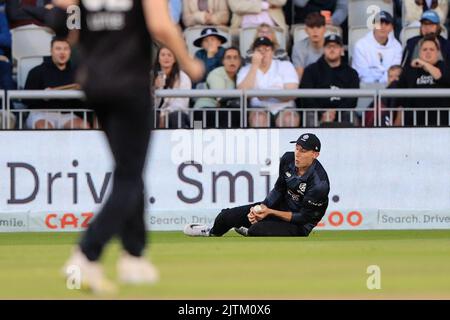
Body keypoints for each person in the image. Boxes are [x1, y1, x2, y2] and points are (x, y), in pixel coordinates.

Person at [51, 0, 204, 294]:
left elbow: (59, 19)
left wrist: (90, 42)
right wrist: (188, 63)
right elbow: (160, 25)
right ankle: (86, 254)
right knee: (129, 175)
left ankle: (134, 257)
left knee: (128, 169)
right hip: (129, 84)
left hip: (95, 83)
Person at [184, 133, 330, 237]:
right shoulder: (288, 159)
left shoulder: (320, 184)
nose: (297, 154)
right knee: (225, 216)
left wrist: (269, 212)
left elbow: (303, 217)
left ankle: (251, 231)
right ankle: (211, 232)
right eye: (296, 148)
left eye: (303, 151)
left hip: (299, 226)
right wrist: (261, 208)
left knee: (257, 230)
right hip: (278, 209)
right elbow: (279, 189)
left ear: (315, 155)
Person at [24, 36, 86, 129]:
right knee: (44, 127)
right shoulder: (36, 71)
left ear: (70, 52)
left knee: (84, 126)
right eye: (58, 49)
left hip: (67, 115)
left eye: (66, 49)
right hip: (41, 114)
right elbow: (25, 100)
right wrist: (43, 96)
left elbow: (81, 104)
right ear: (51, 51)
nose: (62, 52)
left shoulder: (77, 73)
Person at [237, 36, 299, 127]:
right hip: (258, 108)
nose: (263, 53)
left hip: (284, 107)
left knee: (289, 118)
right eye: (259, 50)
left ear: (272, 52)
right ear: (254, 53)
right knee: (258, 118)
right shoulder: (246, 69)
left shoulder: (285, 65)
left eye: (267, 49)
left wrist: (269, 94)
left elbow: (292, 92)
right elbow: (241, 91)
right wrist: (254, 66)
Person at [300, 34, 359, 126]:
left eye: (335, 46)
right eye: (328, 46)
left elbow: (353, 100)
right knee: (310, 115)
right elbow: (306, 97)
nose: (332, 49)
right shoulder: (311, 70)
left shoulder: (351, 73)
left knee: (351, 115)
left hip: (343, 113)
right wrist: (322, 112)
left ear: (342, 50)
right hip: (317, 113)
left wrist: (336, 112)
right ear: (323, 50)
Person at [394, 35, 450, 126]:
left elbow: (439, 76)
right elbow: (401, 100)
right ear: (419, 52)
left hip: (441, 123)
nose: (428, 52)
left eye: (432, 49)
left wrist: (424, 63)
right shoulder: (409, 70)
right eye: (424, 49)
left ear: (438, 52)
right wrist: (398, 122)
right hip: (414, 124)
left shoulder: (444, 67)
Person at [194, 46, 242, 128]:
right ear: (223, 61)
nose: (232, 60)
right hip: (201, 112)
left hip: (220, 113)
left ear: (240, 61)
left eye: (235, 58)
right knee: (197, 138)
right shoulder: (216, 73)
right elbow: (220, 97)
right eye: (228, 57)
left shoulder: (240, 76)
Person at [352, 11, 402, 84]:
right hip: (366, 88)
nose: (383, 27)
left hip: (390, 87)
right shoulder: (360, 45)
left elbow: (394, 73)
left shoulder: (397, 47)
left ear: (392, 28)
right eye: (380, 23)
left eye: (387, 24)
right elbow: (362, 73)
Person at [152, 46, 192, 129]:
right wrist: (155, 88)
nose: (166, 58)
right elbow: (145, 102)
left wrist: (163, 115)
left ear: (174, 59)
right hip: (155, 113)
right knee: (152, 116)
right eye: (163, 55)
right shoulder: (151, 76)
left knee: (175, 116)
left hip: (175, 114)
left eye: (169, 55)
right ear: (158, 59)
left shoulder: (183, 77)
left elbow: (181, 104)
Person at [291, 12, 326, 80]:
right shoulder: (299, 47)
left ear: (324, 29)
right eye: (311, 27)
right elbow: (299, 76)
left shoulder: (331, 46)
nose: (315, 31)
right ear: (306, 30)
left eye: (318, 27)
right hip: (307, 86)